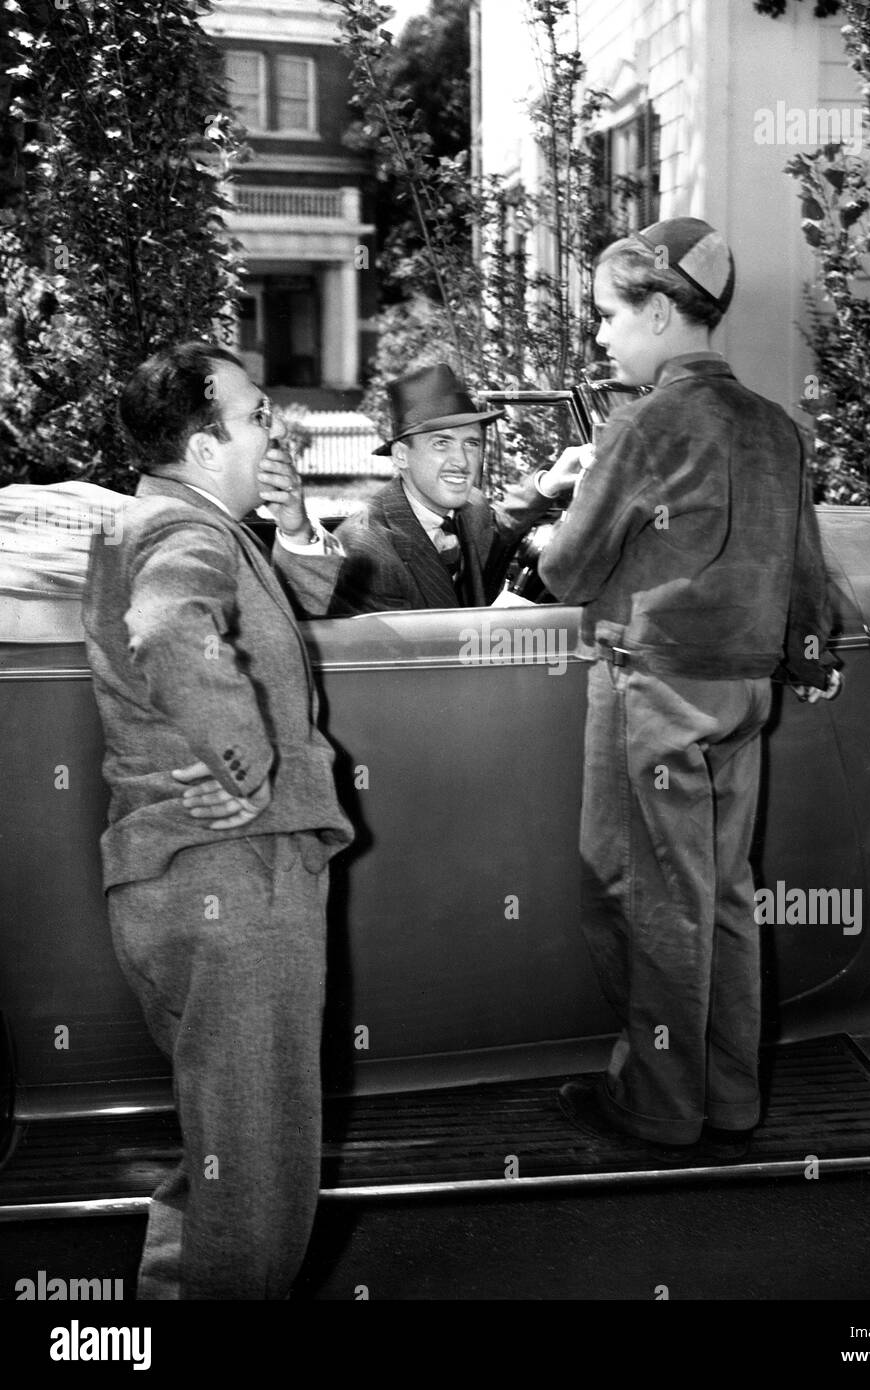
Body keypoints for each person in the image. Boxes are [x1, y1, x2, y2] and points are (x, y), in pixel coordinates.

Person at [539, 218, 842, 1163]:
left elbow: (566, 571)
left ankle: (659, 1108)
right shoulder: (775, 426)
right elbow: (805, 573)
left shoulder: (643, 423)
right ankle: (731, 1098)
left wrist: (562, 501)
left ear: (661, 313)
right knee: (723, 896)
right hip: (745, 691)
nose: (601, 336)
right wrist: (804, 655)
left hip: (655, 689)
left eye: (608, 316)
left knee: (643, 898)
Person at [82, 342, 354, 1299]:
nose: (276, 429)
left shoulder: (169, 521)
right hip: (234, 869)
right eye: (255, 416)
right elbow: (169, 629)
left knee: (226, 1148)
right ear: (203, 447)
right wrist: (248, 763)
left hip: (182, 876)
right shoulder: (179, 530)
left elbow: (274, 621)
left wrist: (291, 521)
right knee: (260, 1167)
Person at [332, 363, 580, 611]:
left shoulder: (472, 505)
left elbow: (495, 529)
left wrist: (549, 483)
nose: (461, 461)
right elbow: (416, 637)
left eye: (471, 443)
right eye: (441, 443)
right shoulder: (366, 548)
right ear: (401, 456)